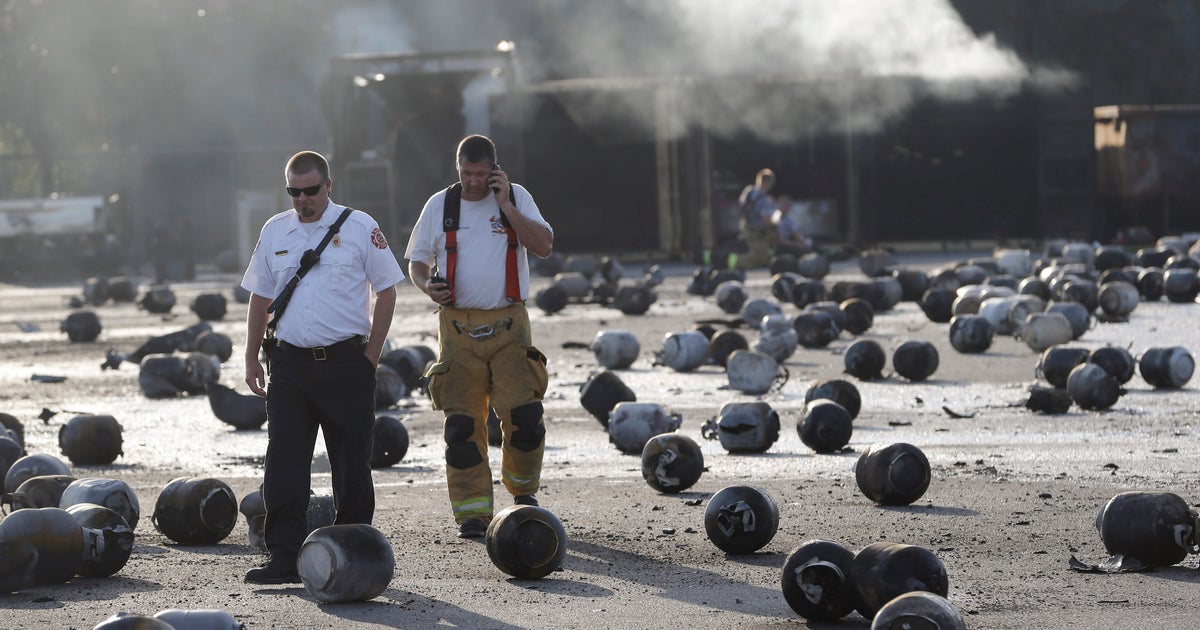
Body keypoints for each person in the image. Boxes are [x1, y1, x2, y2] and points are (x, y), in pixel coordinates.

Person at [240, 150, 405, 584]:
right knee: (284, 464)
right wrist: (251, 354)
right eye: (294, 191)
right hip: (289, 366)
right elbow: (260, 296)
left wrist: (370, 355)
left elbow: (388, 290)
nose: (302, 199)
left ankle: (353, 551)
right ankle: (283, 557)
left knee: (351, 465)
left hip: (345, 364)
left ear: (328, 186)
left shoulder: (359, 226)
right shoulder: (275, 230)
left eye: (310, 190)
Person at [405, 134, 553, 539]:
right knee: (461, 427)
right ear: (458, 169)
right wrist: (426, 286)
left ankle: (523, 492)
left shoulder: (517, 197)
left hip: (510, 325)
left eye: (481, 174)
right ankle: (472, 513)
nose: (473, 182)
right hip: (457, 329)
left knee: (524, 416)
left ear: (495, 170)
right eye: (466, 174)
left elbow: (542, 246)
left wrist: (506, 206)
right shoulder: (440, 205)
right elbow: (417, 264)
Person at [738, 168, 777, 267]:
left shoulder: (748, 191)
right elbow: (767, 220)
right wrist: (776, 221)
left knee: (754, 251)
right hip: (757, 232)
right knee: (760, 258)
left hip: (745, 227)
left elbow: (741, 205)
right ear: (767, 182)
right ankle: (732, 262)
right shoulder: (764, 199)